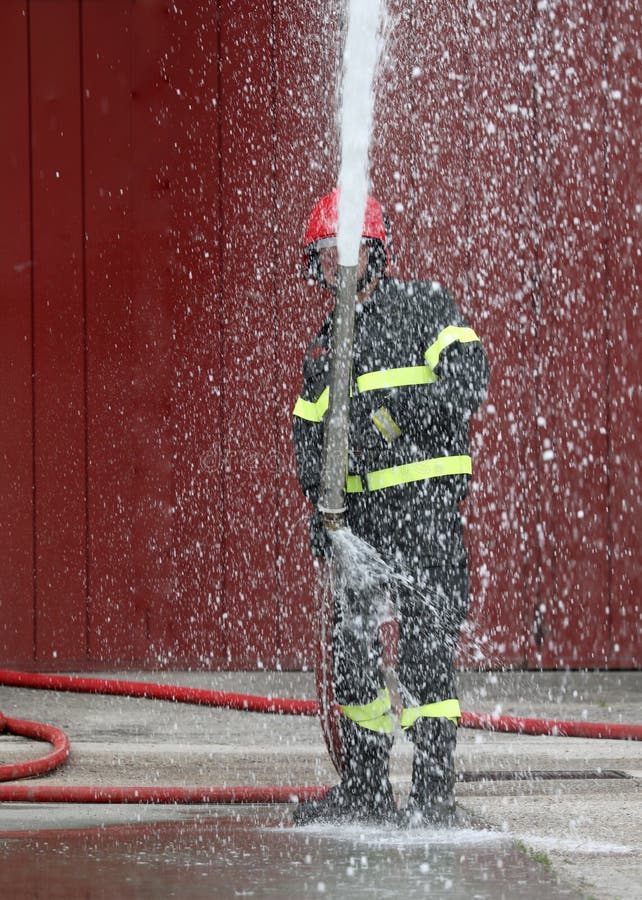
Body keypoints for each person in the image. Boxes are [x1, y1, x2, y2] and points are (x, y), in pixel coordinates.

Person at [292, 188, 490, 826]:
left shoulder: (424, 308)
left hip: (427, 516)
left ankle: (433, 800)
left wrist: (407, 416)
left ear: (375, 254)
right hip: (365, 528)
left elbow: (468, 376)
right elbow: (309, 441)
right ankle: (367, 790)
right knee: (353, 657)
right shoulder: (326, 350)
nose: (334, 270)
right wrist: (325, 519)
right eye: (324, 259)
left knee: (427, 657)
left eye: (342, 255)